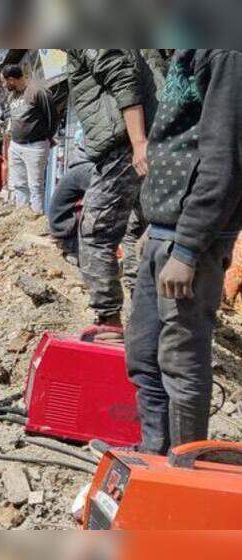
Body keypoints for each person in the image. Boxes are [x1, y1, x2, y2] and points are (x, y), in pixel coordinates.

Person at [125, 49, 242, 455]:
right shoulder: (186, 54)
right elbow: (173, 146)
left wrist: (188, 249)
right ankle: (153, 454)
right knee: (143, 357)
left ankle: (183, 472)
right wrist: (151, 226)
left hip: (189, 239)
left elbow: (223, 163)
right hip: (163, 232)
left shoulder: (227, 53)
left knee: (181, 363)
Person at [66, 49, 158, 328]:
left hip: (123, 145)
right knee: (135, 231)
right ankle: (145, 318)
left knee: (96, 233)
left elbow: (121, 74)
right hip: (135, 141)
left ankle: (109, 323)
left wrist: (138, 142)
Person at [1, 64, 56, 214]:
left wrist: (47, 137)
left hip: (35, 146)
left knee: (35, 185)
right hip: (16, 145)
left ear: (11, 80)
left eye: (4, 82)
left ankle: (36, 219)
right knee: (19, 184)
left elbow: (52, 118)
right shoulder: (12, 96)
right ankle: (22, 217)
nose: (4, 85)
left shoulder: (38, 92)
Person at [47, 147, 95, 265]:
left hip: (62, 226)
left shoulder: (78, 168)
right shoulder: (85, 171)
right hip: (65, 229)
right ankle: (76, 252)